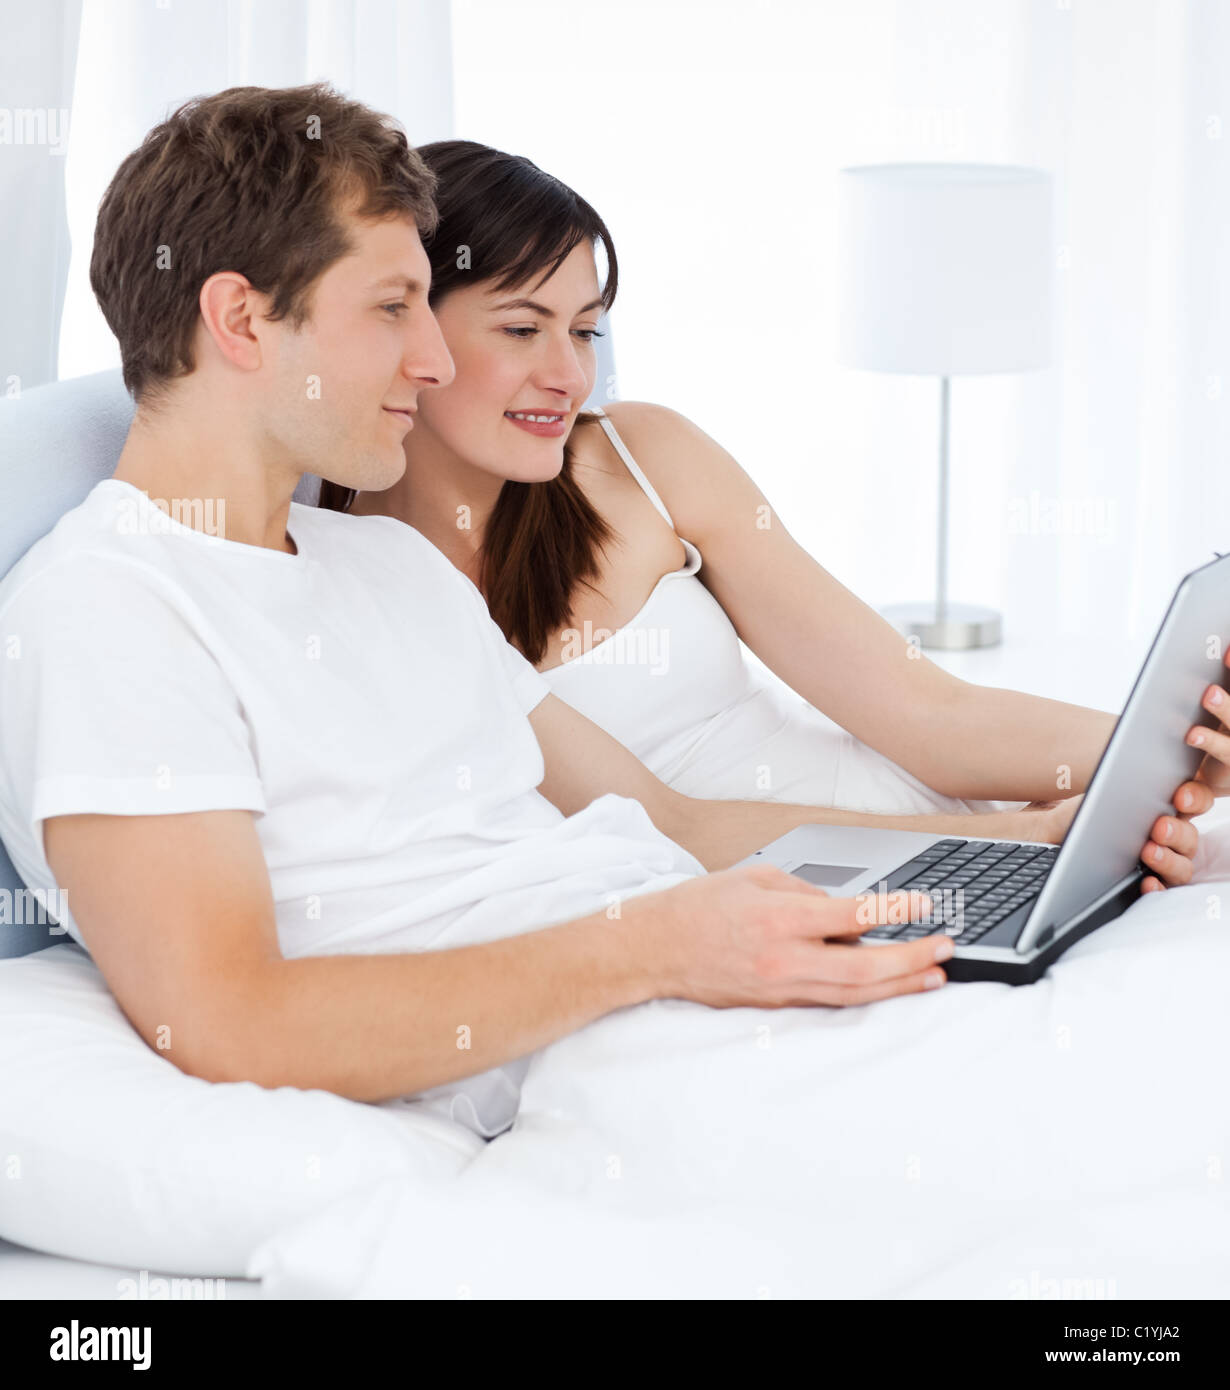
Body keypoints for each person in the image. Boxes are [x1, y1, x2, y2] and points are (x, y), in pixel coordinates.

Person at [0, 89, 1208, 1146]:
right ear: (243, 319)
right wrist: (664, 945)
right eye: (396, 309)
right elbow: (222, 1015)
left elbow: (665, 818)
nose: (430, 361)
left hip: (718, 964)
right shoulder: (110, 607)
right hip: (635, 1035)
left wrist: (1026, 845)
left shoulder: (378, 567)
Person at [325, 140, 1219, 890]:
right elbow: (669, 827)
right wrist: (1019, 843)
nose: (569, 374)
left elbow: (928, 713)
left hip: (912, 831)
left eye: (586, 329)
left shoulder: (643, 456)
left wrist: (1161, 750)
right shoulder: (363, 574)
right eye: (523, 329)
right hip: (808, 883)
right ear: (414, 331)